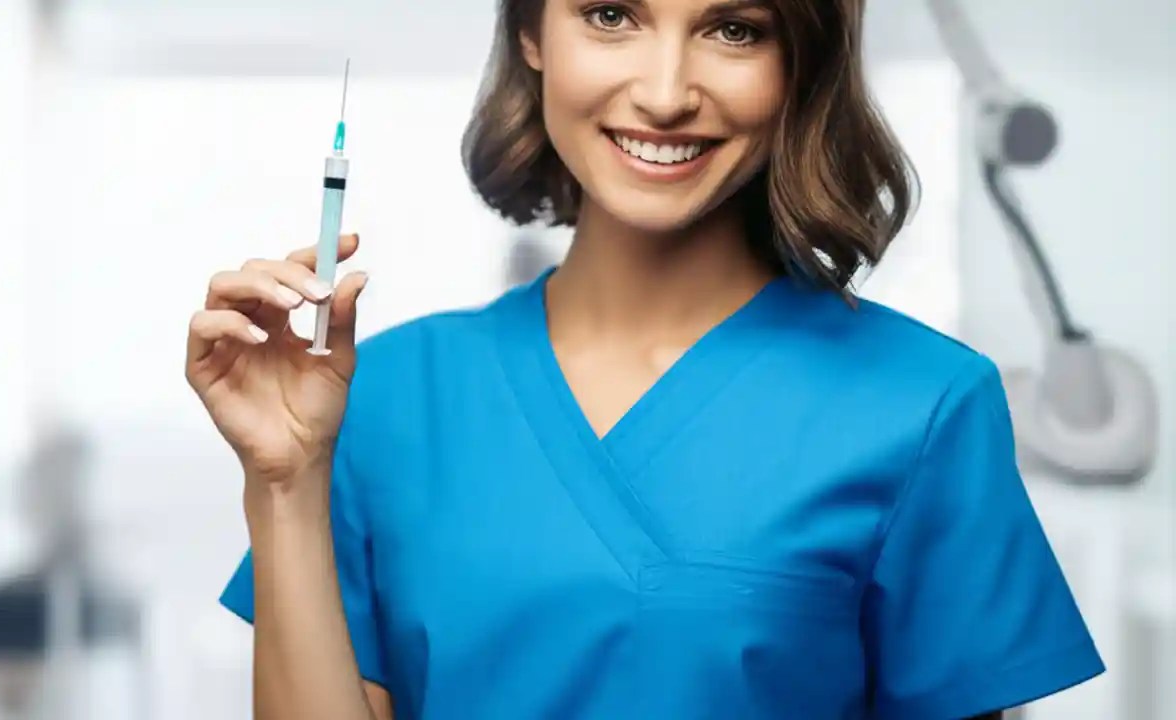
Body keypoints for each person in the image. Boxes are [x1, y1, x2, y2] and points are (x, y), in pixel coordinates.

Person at [185, 0, 1106, 717]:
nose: (666, 92)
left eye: (735, 29)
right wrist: (285, 485)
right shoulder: (376, 400)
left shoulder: (924, 409)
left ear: (800, 62)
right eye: (612, 15)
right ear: (531, 31)